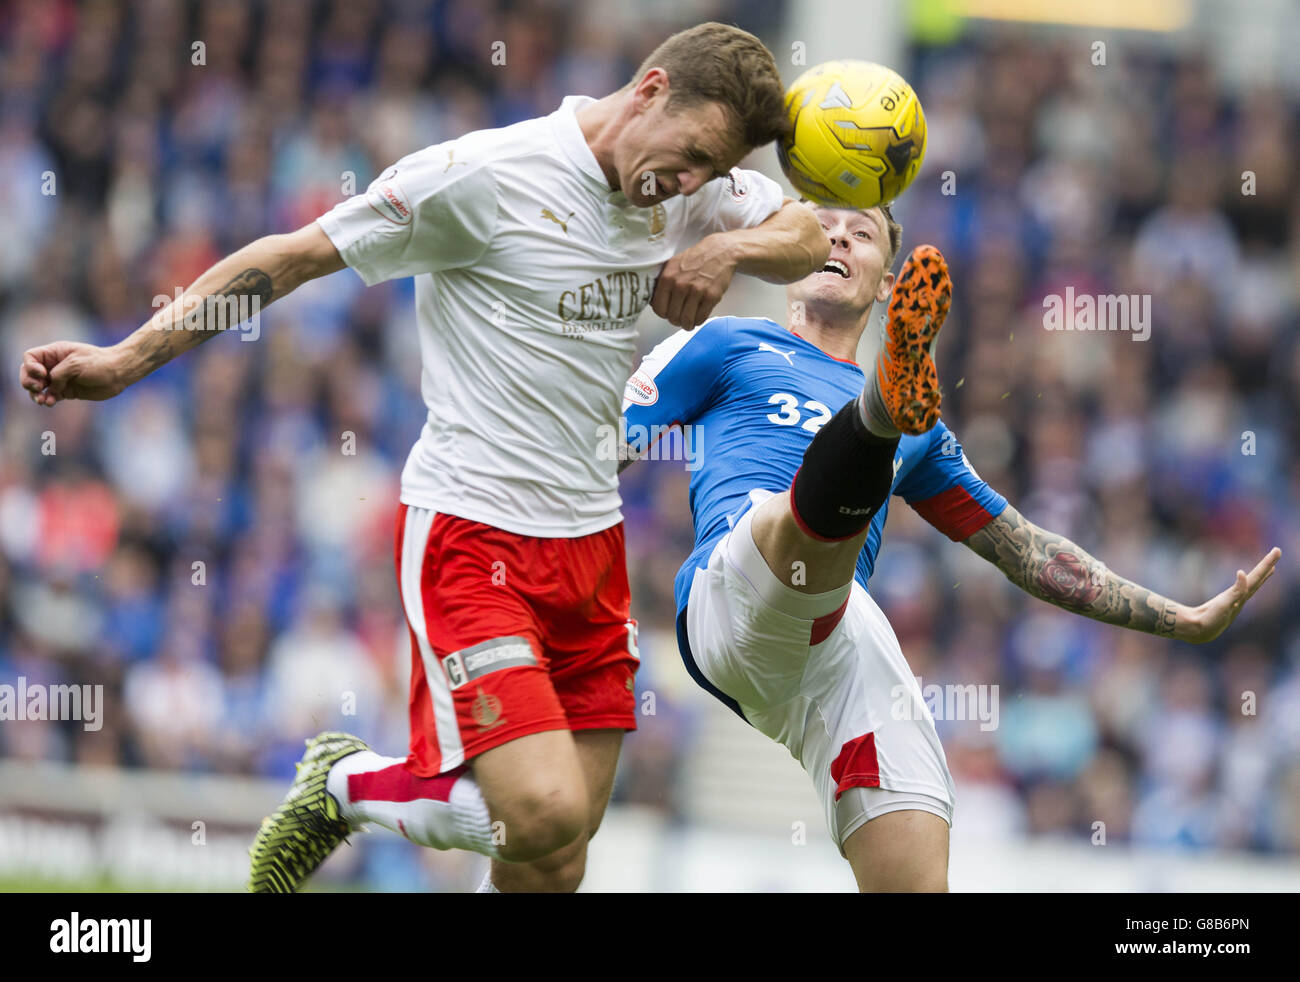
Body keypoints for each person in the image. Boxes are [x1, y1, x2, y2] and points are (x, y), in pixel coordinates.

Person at [18, 22, 832, 894]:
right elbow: (291, 258)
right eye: (696, 154)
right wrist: (123, 359)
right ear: (650, 90)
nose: (695, 182)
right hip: (472, 537)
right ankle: (344, 783)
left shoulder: (689, 195)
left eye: (715, 171)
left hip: (591, 542)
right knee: (541, 812)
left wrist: (726, 245)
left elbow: (811, 235)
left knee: (559, 857)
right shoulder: (483, 177)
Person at [619, 201, 1281, 891]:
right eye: (823, 226)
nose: (840, 235)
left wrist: (1180, 619)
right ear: (788, 264)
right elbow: (601, 448)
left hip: (838, 642)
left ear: (885, 286)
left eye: (863, 233)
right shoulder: (727, 344)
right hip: (732, 588)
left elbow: (1025, 550)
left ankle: (872, 419)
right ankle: (870, 417)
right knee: (787, 518)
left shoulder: (923, 430)